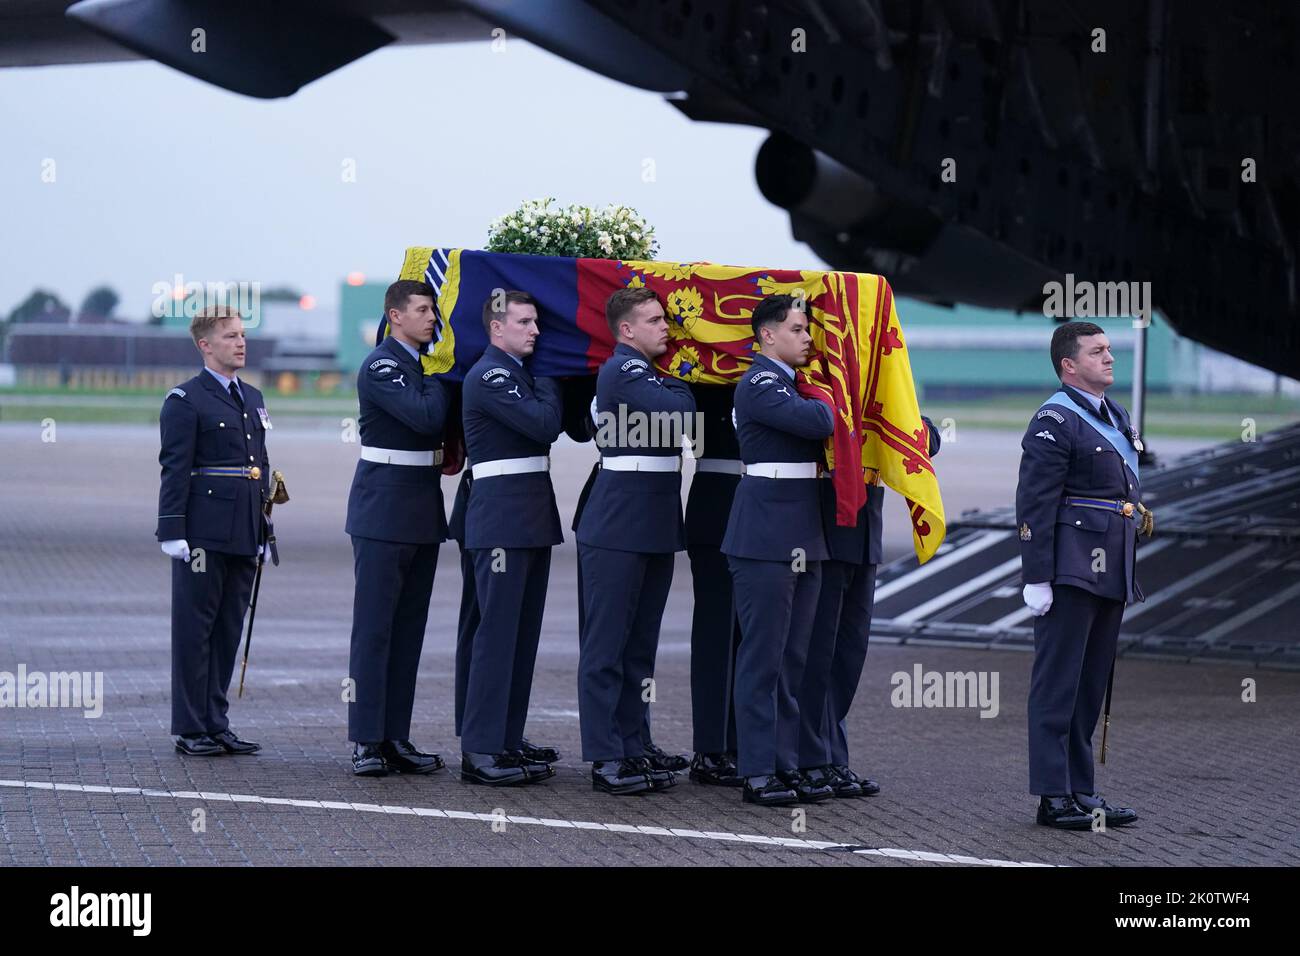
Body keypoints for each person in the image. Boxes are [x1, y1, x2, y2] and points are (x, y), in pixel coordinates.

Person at [1017, 320, 1145, 829]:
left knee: (1090, 683)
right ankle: (1053, 796)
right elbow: (1034, 501)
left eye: (1109, 349)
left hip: (1111, 565)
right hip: (1070, 566)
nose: (1110, 358)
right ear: (1069, 365)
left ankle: (1081, 790)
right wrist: (1036, 576)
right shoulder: (1055, 419)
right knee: (1058, 684)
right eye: (1097, 352)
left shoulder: (1114, 414)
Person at [576, 287, 696, 795]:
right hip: (619, 525)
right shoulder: (623, 370)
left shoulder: (646, 372)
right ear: (627, 330)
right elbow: (685, 414)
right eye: (654, 320)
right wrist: (682, 389)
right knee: (607, 646)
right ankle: (606, 758)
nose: (665, 326)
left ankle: (633, 742)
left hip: (649, 524)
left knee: (638, 647)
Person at [722, 294, 837, 807]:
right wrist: (831, 398)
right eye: (797, 329)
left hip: (802, 532)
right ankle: (756, 771)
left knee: (793, 659)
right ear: (768, 335)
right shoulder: (760, 383)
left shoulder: (795, 384)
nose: (808, 337)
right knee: (762, 658)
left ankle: (785, 765)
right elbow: (819, 423)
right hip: (765, 536)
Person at [800, 418, 940, 797]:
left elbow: (929, 439)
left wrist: (901, 420)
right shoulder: (817, 385)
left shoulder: (879, 392)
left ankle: (833, 756)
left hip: (866, 524)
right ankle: (811, 758)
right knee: (819, 651)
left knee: (849, 652)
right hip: (827, 520)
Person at [458, 291, 564, 786]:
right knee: (496, 637)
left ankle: (506, 737)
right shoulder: (492, 375)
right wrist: (552, 370)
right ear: (496, 328)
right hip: (501, 522)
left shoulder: (516, 374)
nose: (535, 330)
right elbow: (543, 425)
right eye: (524, 321)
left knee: (520, 638)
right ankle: (480, 750)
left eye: (537, 322)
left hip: (526, 517)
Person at [344, 280, 449, 777]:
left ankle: (394, 735)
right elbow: (426, 416)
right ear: (395, 316)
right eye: (423, 310)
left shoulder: (420, 366)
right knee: (375, 630)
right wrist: (445, 373)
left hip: (420, 509)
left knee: (408, 631)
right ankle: (366, 738)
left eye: (434, 310)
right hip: (384, 510)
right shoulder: (384, 365)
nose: (432, 318)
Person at [156, 304, 270, 757]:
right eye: (229, 337)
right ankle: (190, 726)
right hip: (201, 535)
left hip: (243, 529)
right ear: (205, 345)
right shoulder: (185, 401)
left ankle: (216, 722)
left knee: (227, 630)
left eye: (242, 335)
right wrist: (171, 530)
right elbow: (174, 468)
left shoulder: (254, 397)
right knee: (194, 630)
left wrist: (262, 530)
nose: (240, 343)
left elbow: (258, 469)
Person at [684, 383, 744, 786]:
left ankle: (744, 744)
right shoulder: (706, 378)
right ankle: (711, 748)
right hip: (717, 505)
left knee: (750, 638)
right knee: (715, 635)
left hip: (759, 508)